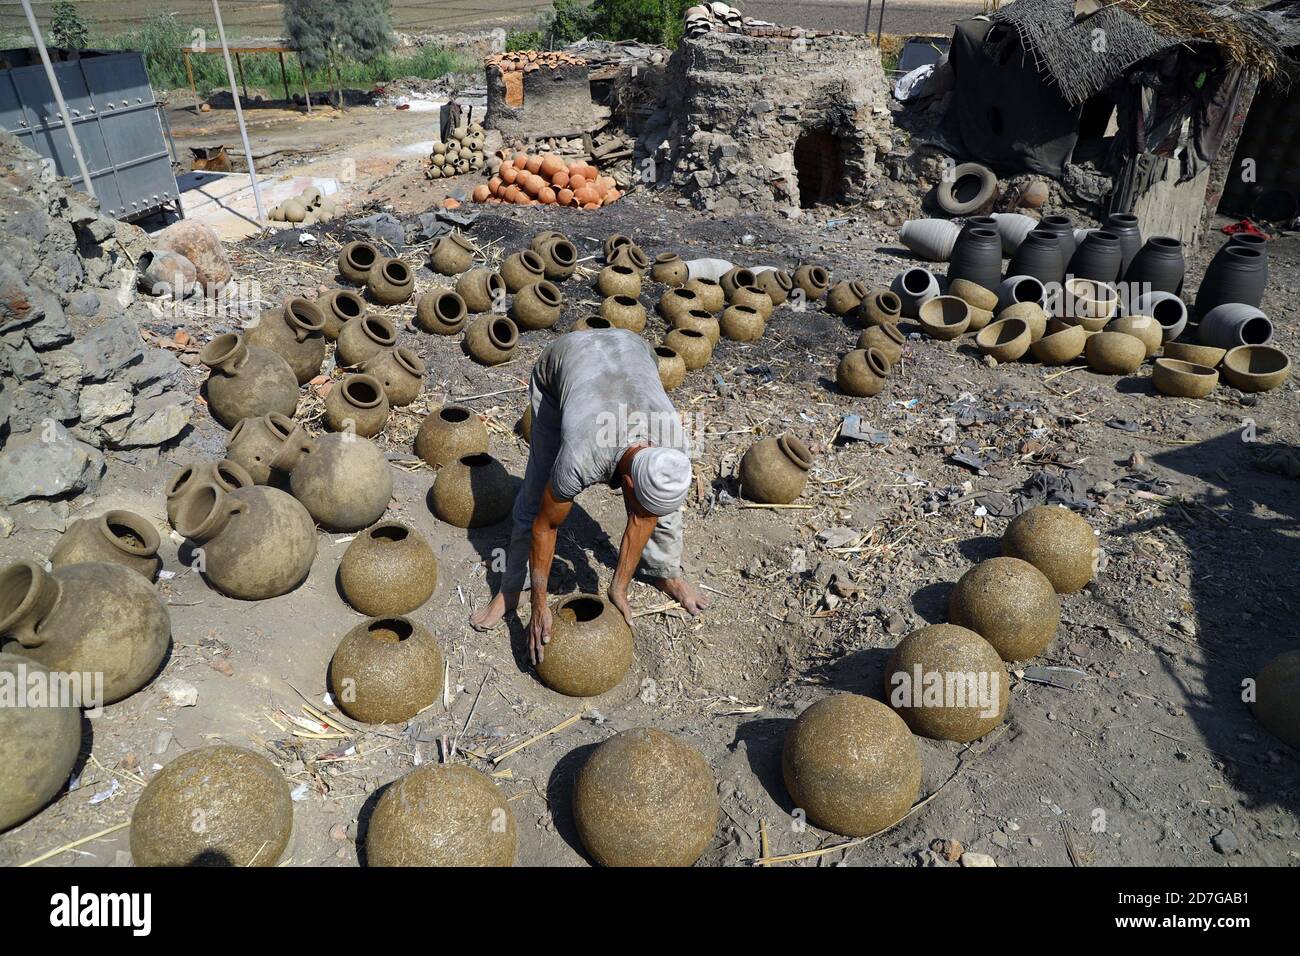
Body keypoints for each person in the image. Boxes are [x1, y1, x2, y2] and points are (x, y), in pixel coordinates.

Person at [469, 328, 708, 663]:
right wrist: (540, 605)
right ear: (627, 483)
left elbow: (647, 514)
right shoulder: (582, 455)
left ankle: (664, 571)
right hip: (563, 362)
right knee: (537, 494)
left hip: (632, 349)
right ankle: (511, 588)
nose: (644, 519)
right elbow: (545, 526)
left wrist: (619, 587)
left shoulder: (675, 444)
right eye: (640, 509)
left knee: (664, 505)